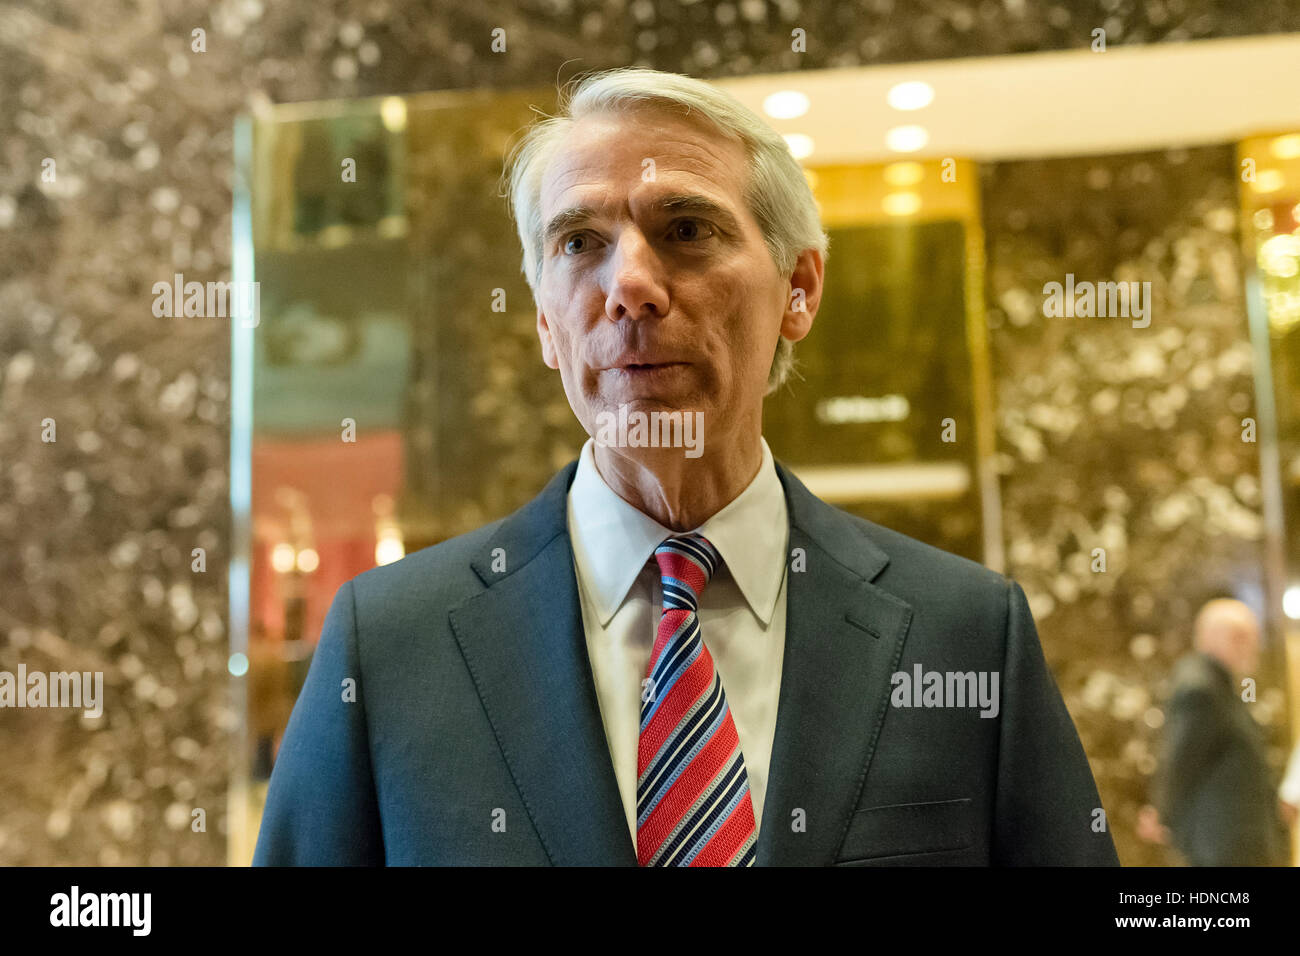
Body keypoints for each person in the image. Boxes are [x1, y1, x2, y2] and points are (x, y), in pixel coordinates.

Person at [253, 67, 1118, 866]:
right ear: (547, 325)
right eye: (581, 243)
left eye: (687, 229)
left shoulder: (965, 634)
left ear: (800, 289)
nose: (630, 285)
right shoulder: (395, 645)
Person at [1151, 598, 1289, 866]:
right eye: (1241, 637)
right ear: (1213, 637)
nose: (1251, 647)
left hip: (1233, 845)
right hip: (1221, 847)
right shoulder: (1201, 688)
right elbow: (1181, 759)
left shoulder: (1219, 684)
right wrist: (1164, 816)